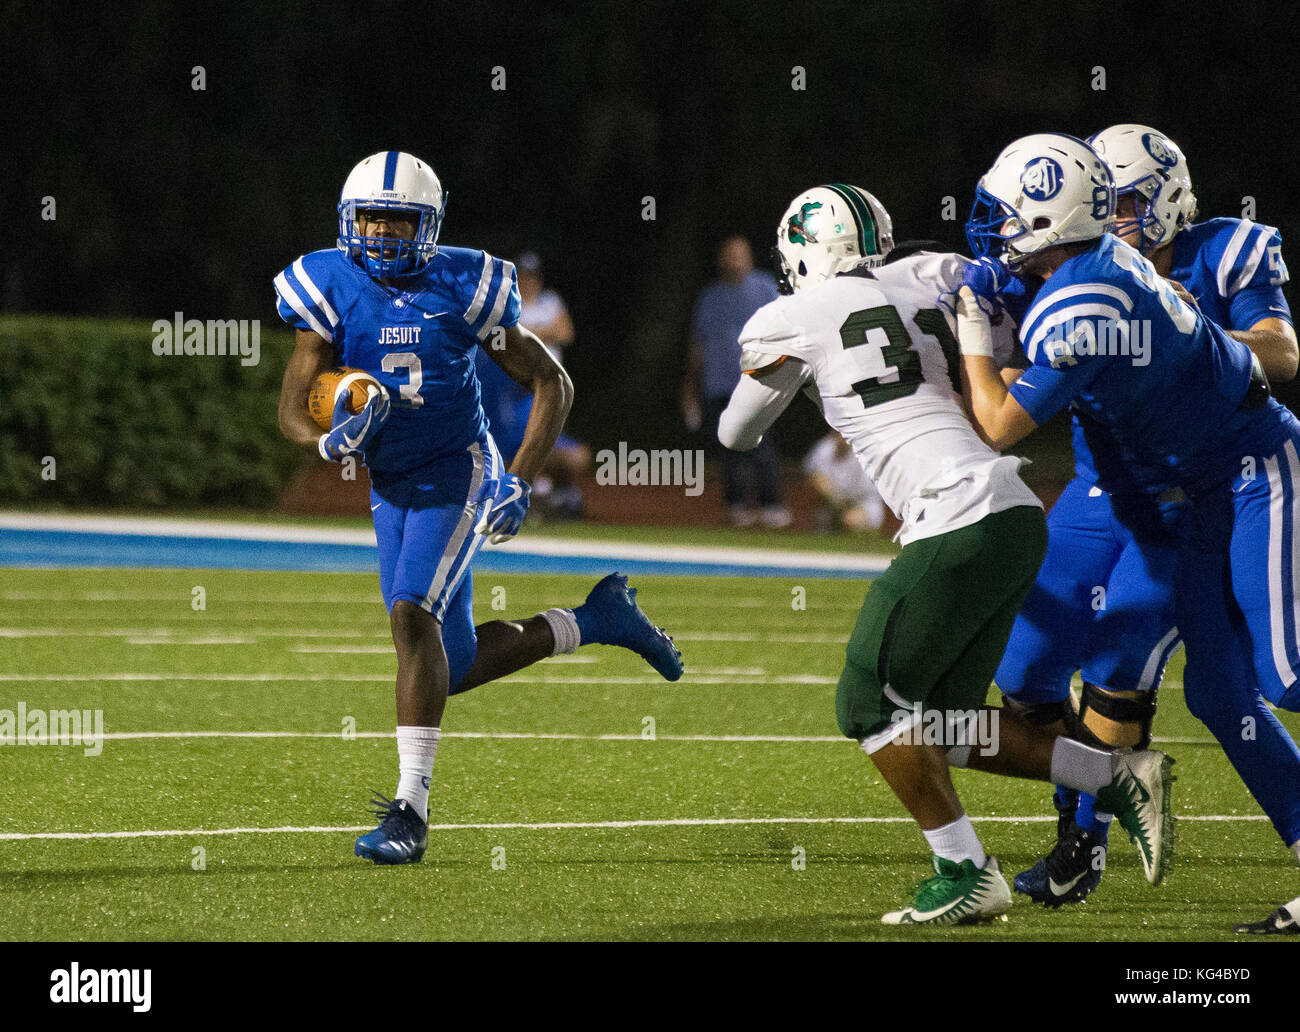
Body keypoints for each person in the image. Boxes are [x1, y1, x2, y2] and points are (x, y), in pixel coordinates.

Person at [717, 182, 1173, 925]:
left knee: (866, 705)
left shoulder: (788, 316)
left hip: (953, 515)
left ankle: (966, 871)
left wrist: (808, 380)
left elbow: (737, 435)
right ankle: (1119, 775)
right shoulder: (935, 274)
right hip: (1018, 510)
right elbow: (998, 346)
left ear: (803, 250)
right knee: (942, 724)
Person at [274, 151, 683, 865]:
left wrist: (518, 479)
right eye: (371, 218)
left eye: (398, 221)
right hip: (392, 482)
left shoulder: (465, 284)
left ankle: (410, 811)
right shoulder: (329, 284)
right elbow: (291, 402)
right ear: (348, 220)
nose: (383, 235)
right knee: (447, 664)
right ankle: (596, 618)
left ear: (427, 226)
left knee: (411, 615)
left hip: (458, 466)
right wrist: (322, 440)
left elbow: (551, 382)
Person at [958, 132, 1300, 933]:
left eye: (1135, 202)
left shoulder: (1117, 283)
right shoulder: (1098, 274)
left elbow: (1004, 420)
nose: (1126, 216)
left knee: (1273, 673)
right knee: (1188, 687)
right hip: (1117, 480)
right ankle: (1092, 821)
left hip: (1225, 478)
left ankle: (1095, 826)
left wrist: (976, 342)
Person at [684, 236, 789, 528]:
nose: (735, 261)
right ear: (721, 260)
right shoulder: (710, 297)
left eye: (740, 255)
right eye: (730, 255)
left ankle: (771, 505)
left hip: (759, 381)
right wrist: (690, 387)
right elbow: (698, 345)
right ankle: (737, 505)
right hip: (718, 383)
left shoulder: (766, 287)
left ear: (749, 258)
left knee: (761, 442)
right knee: (729, 448)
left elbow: (787, 328)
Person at [803, 431, 885, 532]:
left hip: (865, 503)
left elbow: (864, 492)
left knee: (851, 521)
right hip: (833, 505)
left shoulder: (864, 455)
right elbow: (815, 478)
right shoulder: (824, 449)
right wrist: (837, 502)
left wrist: (847, 510)